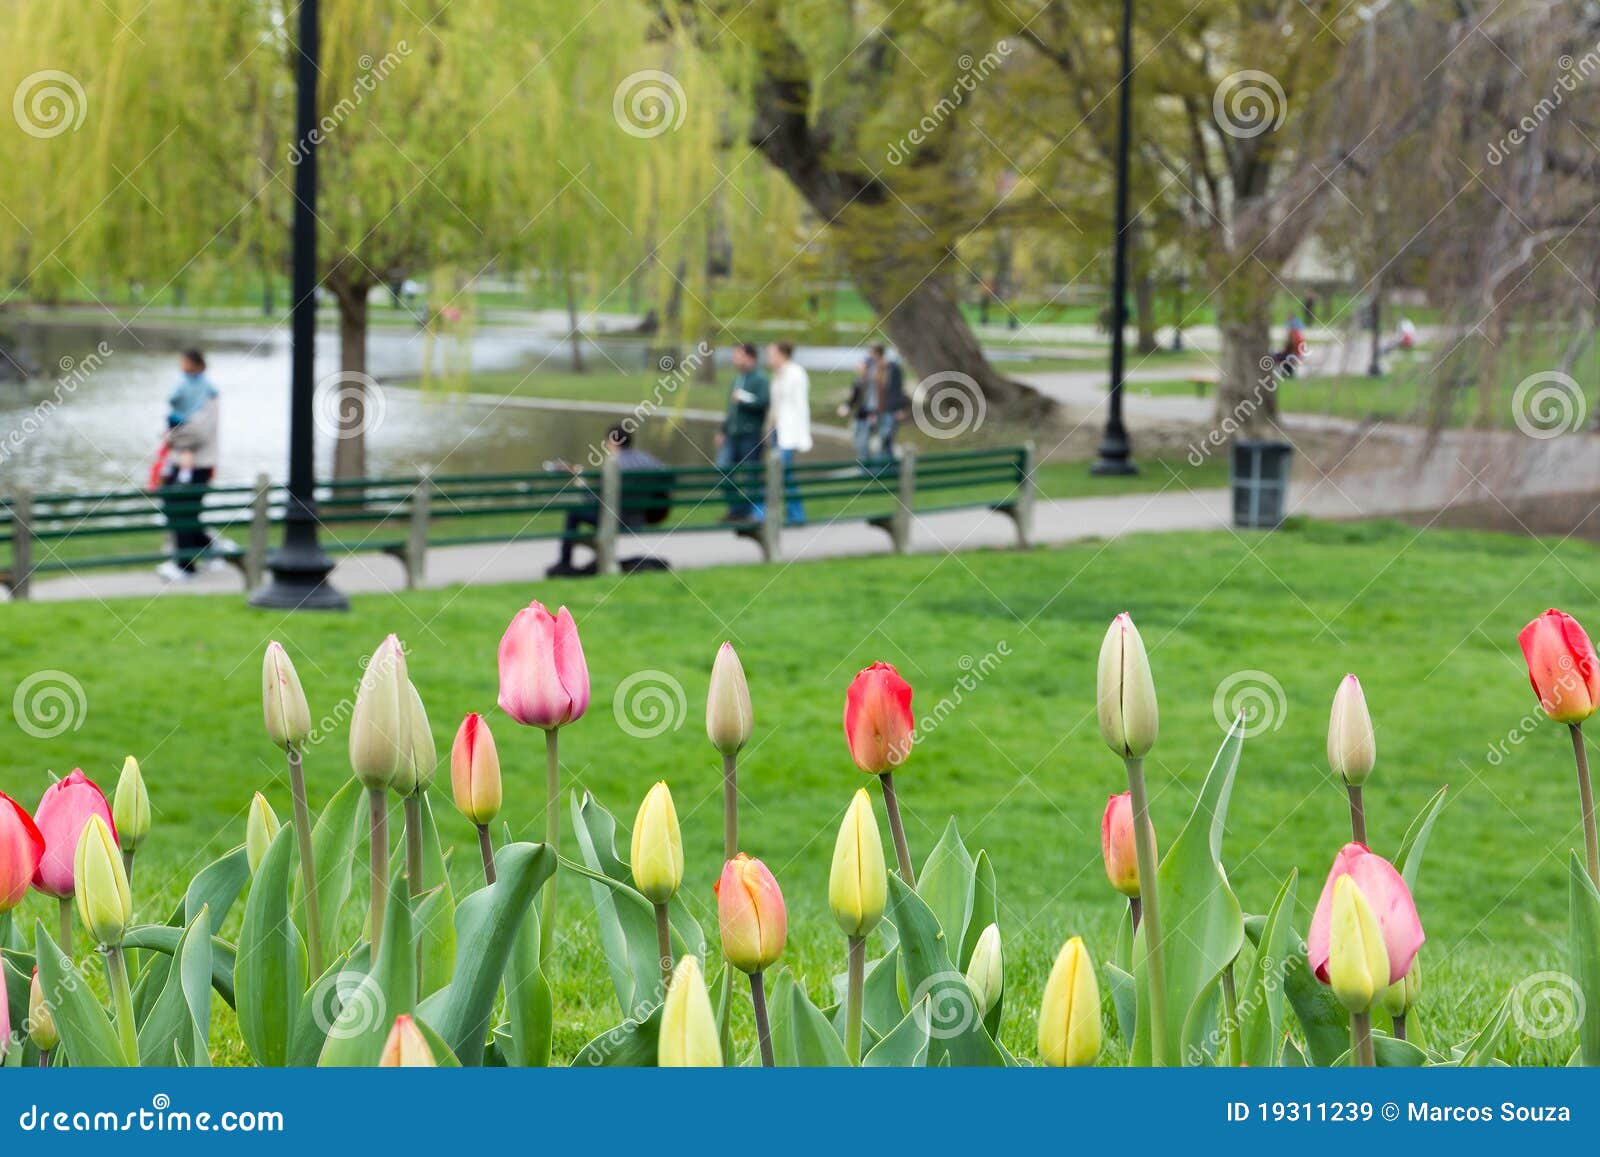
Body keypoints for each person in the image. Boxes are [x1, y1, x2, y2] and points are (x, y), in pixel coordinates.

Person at [548, 423, 667, 577]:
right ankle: (594, 560)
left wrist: (581, 482)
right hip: (640, 517)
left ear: (614, 441)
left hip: (617, 519)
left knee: (574, 513)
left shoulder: (614, 463)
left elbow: (597, 500)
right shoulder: (649, 461)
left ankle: (564, 563)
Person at [156, 351, 223, 582]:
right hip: (179, 461)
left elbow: (198, 432)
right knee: (175, 507)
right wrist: (172, 437)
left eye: (184, 362)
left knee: (183, 511)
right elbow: (176, 421)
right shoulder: (183, 390)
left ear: (196, 364)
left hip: (198, 463)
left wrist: (171, 438)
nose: (181, 366)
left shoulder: (208, 395)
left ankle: (186, 566)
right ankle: (210, 548)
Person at [716, 343, 769, 522]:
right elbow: (731, 410)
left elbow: (763, 403)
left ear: (750, 357)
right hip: (732, 435)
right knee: (723, 469)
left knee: (751, 476)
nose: (734, 359)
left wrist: (744, 399)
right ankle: (737, 509)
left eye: (738, 355)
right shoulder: (736, 380)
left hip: (750, 435)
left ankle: (750, 513)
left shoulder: (760, 379)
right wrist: (723, 430)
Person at [766, 341, 811, 525]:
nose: (769, 358)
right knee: (785, 474)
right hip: (779, 431)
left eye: (771, 354)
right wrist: (769, 428)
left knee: (780, 472)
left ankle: (767, 513)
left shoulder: (795, 373)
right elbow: (775, 406)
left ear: (782, 354)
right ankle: (795, 514)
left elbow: (801, 406)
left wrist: (801, 437)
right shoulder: (778, 374)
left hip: (790, 432)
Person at [841, 345, 907, 465]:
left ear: (877, 353)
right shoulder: (870, 368)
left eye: (871, 353)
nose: (869, 356)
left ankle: (886, 469)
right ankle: (873, 468)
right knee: (869, 440)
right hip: (872, 411)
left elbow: (897, 390)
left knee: (885, 440)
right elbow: (859, 390)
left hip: (887, 410)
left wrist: (899, 408)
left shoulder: (892, 368)